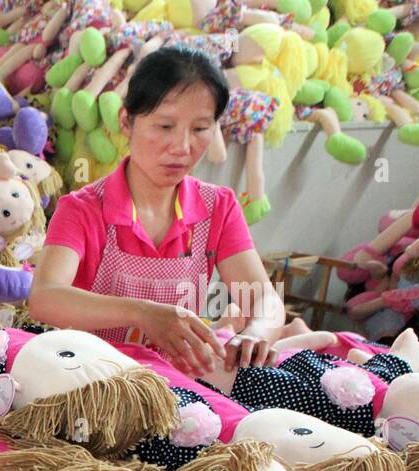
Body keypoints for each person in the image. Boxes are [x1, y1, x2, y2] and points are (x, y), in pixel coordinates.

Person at [31, 46, 285, 379]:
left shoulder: (218, 207)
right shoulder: (83, 208)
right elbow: (45, 297)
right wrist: (141, 313)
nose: (181, 147)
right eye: (165, 126)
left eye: (199, 129)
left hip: (175, 382)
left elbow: (263, 297)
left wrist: (256, 333)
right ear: (126, 121)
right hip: (90, 380)